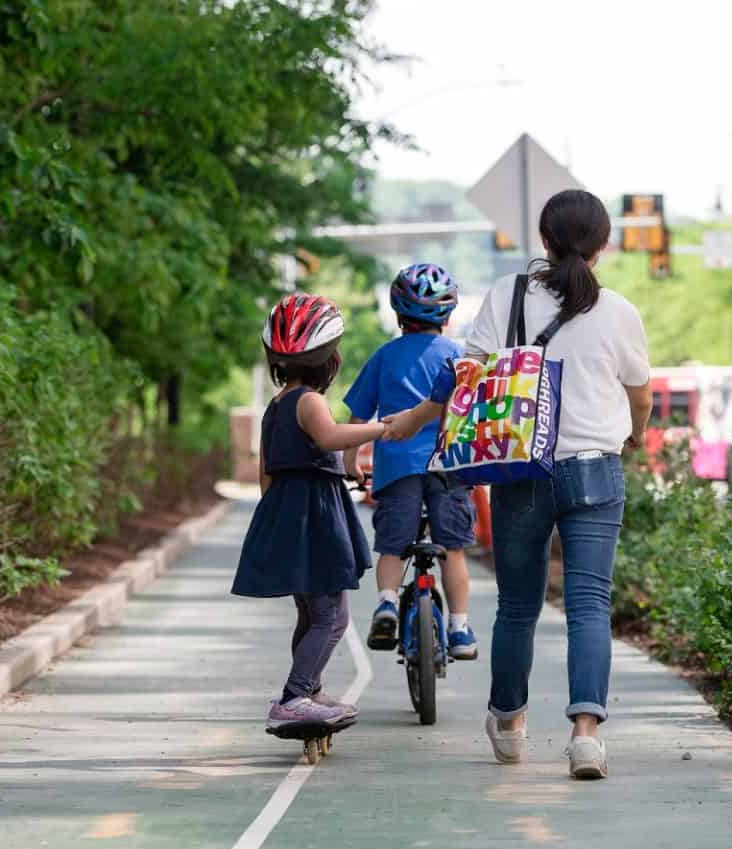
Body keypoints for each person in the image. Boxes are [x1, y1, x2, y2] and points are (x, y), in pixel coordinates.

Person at [383, 190, 651, 780]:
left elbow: (466, 376)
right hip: (594, 467)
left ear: (544, 240)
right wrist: (634, 433)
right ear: (604, 245)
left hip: (521, 466)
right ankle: (586, 738)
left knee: (519, 605)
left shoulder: (509, 293)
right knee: (588, 605)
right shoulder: (619, 311)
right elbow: (640, 394)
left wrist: (414, 420)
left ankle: (509, 723)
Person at [231, 293, 389, 731]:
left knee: (312, 614)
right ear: (330, 361)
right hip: (314, 517)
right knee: (331, 617)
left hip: (290, 514)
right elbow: (329, 438)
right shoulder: (309, 401)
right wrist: (382, 428)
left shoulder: (276, 406)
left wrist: (279, 522)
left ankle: (310, 690)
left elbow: (266, 473)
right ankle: (295, 696)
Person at [342, 262, 477, 661]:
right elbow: (475, 410)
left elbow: (357, 417)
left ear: (398, 314)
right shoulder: (458, 356)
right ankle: (459, 628)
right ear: (447, 316)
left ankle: (386, 604)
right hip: (449, 465)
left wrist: (351, 461)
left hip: (397, 466)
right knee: (453, 548)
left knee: (392, 546)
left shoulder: (384, 356)